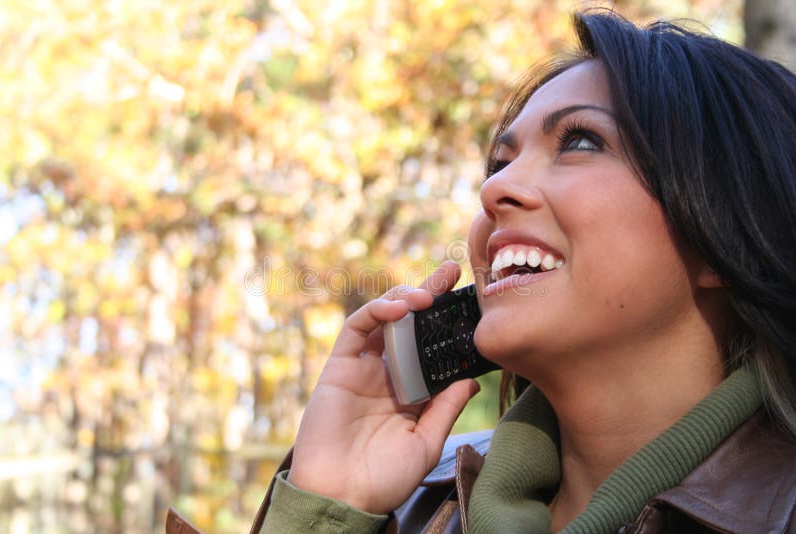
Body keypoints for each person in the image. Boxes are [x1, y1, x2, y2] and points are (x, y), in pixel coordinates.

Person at [166, 10, 796, 534]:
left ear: (726, 233)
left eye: (580, 141)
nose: (495, 190)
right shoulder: (412, 505)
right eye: (500, 161)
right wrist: (328, 507)